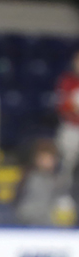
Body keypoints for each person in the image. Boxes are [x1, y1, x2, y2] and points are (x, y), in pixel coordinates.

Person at [55, 50, 79, 199]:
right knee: (66, 165)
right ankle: (62, 197)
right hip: (71, 128)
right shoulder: (68, 81)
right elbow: (63, 106)